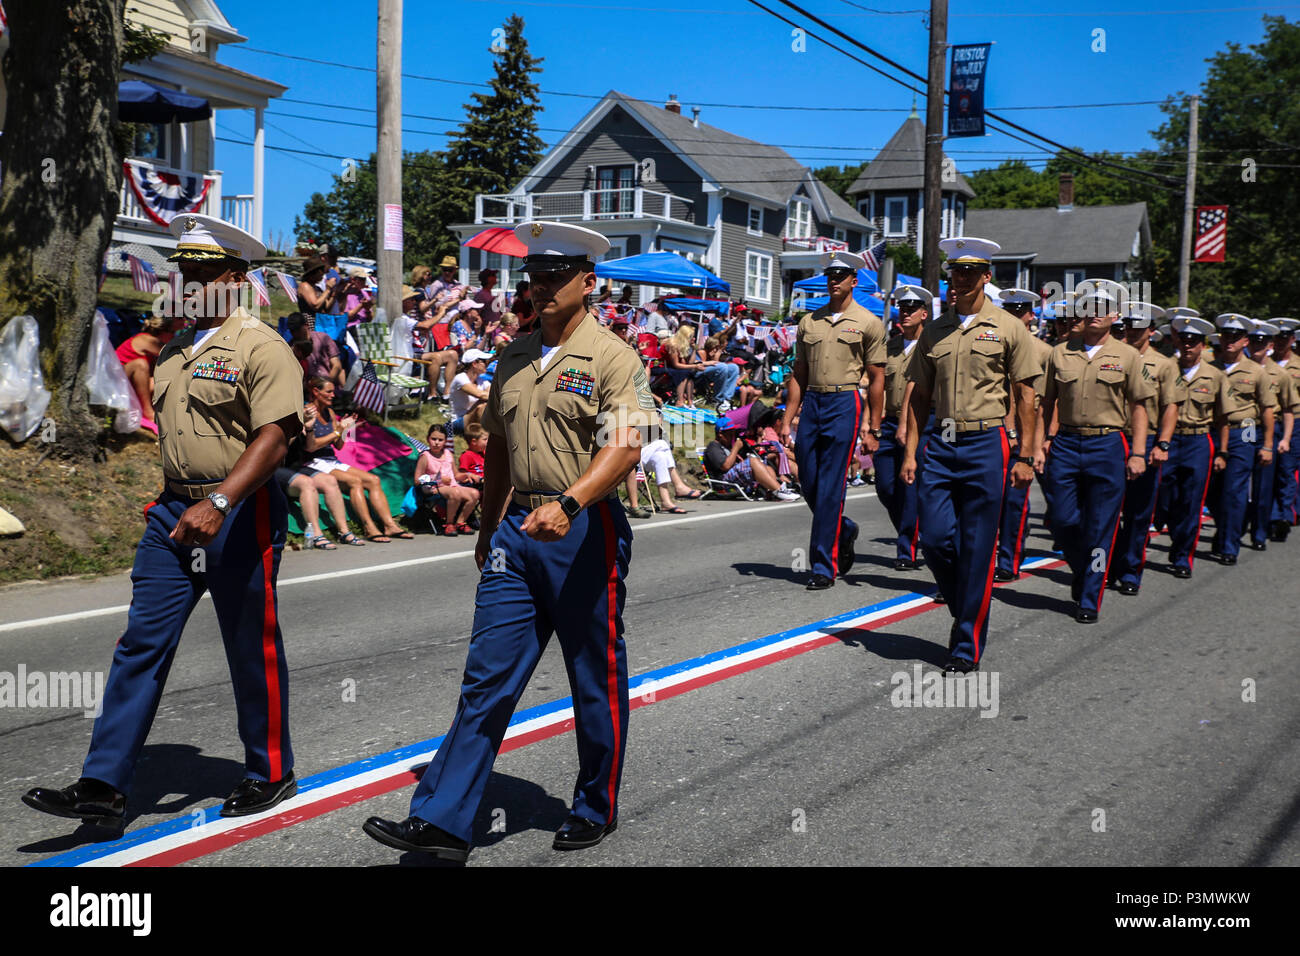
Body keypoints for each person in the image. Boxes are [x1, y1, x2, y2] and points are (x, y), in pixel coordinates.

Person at [363, 220, 657, 861]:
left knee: (593, 675)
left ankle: (594, 805)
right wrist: (489, 521)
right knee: (486, 677)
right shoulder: (514, 353)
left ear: (588, 281)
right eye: (535, 275)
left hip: (583, 530)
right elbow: (498, 444)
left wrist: (571, 502)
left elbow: (626, 444)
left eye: (556, 275)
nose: (543, 285)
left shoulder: (614, 356)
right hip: (516, 535)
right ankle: (443, 819)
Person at [24, 214, 304, 827]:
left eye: (204, 273)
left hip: (239, 511)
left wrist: (220, 501)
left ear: (235, 277)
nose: (190, 282)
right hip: (174, 512)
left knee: (247, 645)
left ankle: (270, 769)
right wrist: (181, 497)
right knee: (141, 643)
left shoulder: (262, 345)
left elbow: (276, 437)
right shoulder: (177, 348)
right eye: (185, 272)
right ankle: (102, 783)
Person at [901, 237, 1042, 672]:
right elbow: (918, 396)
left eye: (968, 273)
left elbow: (1025, 395)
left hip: (987, 443)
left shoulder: (1009, 327)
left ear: (986, 277)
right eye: (953, 273)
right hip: (940, 444)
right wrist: (910, 451)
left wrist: (1026, 455)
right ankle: (967, 604)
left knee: (979, 545)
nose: (958, 281)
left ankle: (965, 646)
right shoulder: (936, 330)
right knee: (936, 539)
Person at [1037, 288, 1154, 623]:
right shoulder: (1060, 353)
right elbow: (1047, 403)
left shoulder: (1128, 355)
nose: (1095, 313)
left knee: (1101, 528)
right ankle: (1085, 568)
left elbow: (1139, 407)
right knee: (1062, 521)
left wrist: (1139, 453)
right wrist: (1039, 445)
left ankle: (1090, 594)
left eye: (1104, 308)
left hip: (1107, 446)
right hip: (1066, 444)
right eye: (1089, 307)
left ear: (1115, 315)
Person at [777, 249, 887, 589]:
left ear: (854, 280)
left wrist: (874, 425)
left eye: (841, 275)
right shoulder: (809, 321)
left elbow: (878, 378)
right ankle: (844, 528)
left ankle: (824, 566)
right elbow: (798, 372)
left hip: (845, 401)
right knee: (808, 479)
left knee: (830, 486)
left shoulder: (868, 322)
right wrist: (787, 418)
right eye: (831, 275)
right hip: (813, 402)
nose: (835, 280)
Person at [1109, 303, 1181, 596]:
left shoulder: (1163, 364)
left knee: (1138, 513)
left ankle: (1130, 571)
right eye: (1129, 327)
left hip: (1147, 440)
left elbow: (1170, 406)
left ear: (1151, 331)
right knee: (1109, 511)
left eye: (1139, 329)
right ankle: (1107, 567)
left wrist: (1163, 443)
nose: (1132, 333)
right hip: (1114, 439)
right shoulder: (1114, 355)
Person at [1159, 315, 1230, 577]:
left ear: (1203, 345)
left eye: (1194, 342)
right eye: (1184, 340)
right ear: (1177, 341)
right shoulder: (1165, 368)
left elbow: (1223, 417)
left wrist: (1222, 451)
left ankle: (1182, 557)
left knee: (1191, 502)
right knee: (1163, 496)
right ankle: (1168, 524)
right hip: (1168, 439)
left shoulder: (1215, 375)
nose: (1188, 346)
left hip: (1198, 439)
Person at [303, 377, 411, 543]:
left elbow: (338, 445)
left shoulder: (329, 412)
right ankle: (369, 527)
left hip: (330, 459)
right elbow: (312, 446)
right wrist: (338, 432)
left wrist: (345, 429)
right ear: (316, 392)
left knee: (373, 479)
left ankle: (389, 525)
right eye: (329, 391)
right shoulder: (307, 411)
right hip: (312, 461)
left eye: (333, 391)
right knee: (355, 481)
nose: (333, 395)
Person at [993, 289, 1053, 581]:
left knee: (1014, 504)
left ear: (1031, 315)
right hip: (993, 432)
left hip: (1021, 436)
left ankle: (1009, 560)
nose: (1015, 316)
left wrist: (1036, 444)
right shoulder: (993, 341)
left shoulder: (1043, 352)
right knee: (986, 500)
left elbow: (1041, 404)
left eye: (1021, 311)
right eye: (1010, 310)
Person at [1207, 314, 1274, 565]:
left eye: (1235, 338)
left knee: (1234, 490)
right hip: (1212, 430)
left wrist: (1266, 445)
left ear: (1245, 341)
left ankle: (1229, 545)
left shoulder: (1257, 372)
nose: (1229, 342)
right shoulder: (1210, 368)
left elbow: (1267, 409)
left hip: (1245, 428)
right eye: (1226, 336)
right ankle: (1225, 528)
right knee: (1212, 492)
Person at [876, 285, 932, 571]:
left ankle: (906, 549)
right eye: (902, 308)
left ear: (924, 313)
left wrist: (904, 424)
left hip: (917, 423)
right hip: (887, 422)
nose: (905, 313)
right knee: (885, 487)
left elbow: (916, 386)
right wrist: (871, 425)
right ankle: (910, 531)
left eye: (911, 309)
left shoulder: (931, 345)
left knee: (909, 486)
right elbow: (881, 385)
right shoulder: (892, 346)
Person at [1244, 320, 1295, 550]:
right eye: (1253, 340)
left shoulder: (1280, 374)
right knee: (1238, 481)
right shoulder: (1237, 368)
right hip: (1244, 427)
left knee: (1264, 484)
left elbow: (1287, 409)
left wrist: (1284, 439)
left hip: (1269, 429)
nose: (1257, 345)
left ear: (1270, 345)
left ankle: (1259, 532)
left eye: (1262, 342)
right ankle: (1233, 529)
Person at [704, 421, 799, 500]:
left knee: (767, 467)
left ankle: (772, 491)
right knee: (752, 461)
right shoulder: (713, 447)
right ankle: (778, 490)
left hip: (734, 478)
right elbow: (726, 466)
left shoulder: (727, 446)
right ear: (720, 434)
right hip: (723, 482)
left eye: (733, 432)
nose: (733, 435)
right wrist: (736, 448)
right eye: (730, 433)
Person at [115, 313, 181, 424]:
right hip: (116, 383)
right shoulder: (147, 340)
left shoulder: (156, 343)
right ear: (164, 330)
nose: (174, 337)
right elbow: (178, 358)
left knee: (168, 375)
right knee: (140, 365)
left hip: (130, 384)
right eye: (173, 333)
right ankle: (148, 412)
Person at [415, 423, 480, 534]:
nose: (436, 442)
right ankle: (449, 524)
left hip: (453, 486)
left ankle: (460, 522)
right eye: (433, 439)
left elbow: (456, 475)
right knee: (454, 492)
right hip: (435, 488)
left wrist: (468, 475)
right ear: (428, 439)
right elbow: (417, 480)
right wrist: (437, 480)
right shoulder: (425, 456)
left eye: (440, 440)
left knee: (474, 493)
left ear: (445, 441)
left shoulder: (448, 454)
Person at [1268, 318, 1300, 539]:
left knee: (1287, 470)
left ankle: (1283, 516)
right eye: (1277, 338)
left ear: (1292, 340)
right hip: (1266, 421)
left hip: (1294, 421)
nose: (1280, 342)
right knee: (1265, 469)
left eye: (1285, 338)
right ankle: (1266, 512)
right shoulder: (1263, 364)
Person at [286, 311, 345, 389]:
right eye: (292, 331)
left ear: (306, 325)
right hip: (309, 388)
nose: (295, 333)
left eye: (297, 329)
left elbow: (337, 365)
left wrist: (327, 383)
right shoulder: (291, 348)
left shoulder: (323, 338)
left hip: (329, 383)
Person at [448, 348, 493, 434]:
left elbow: (492, 393)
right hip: (458, 421)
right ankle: (484, 435)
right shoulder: (460, 378)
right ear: (474, 364)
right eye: (484, 361)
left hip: (473, 417)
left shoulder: (481, 380)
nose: (487, 364)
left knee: (486, 404)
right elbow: (482, 395)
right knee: (483, 405)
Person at [458, 422, 488, 491]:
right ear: (474, 442)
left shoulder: (483, 453)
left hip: (485, 483)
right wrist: (473, 477)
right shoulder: (466, 456)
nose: (488, 441)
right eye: (485, 439)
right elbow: (462, 474)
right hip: (474, 485)